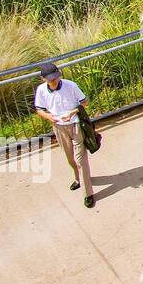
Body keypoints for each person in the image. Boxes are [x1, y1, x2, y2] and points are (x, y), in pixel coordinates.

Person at [33, 62, 95, 208]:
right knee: (70, 157)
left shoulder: (70, 85)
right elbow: (39, 109)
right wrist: (50, 118)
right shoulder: (41, 90)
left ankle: (88, 194)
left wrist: (72, 112)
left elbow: (84, 102)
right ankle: (77, 178)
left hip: (75, 124)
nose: (55, 81)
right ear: (43, 79)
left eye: (56, 77)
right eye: (51, 79)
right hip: (59, 127)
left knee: (81, 160)